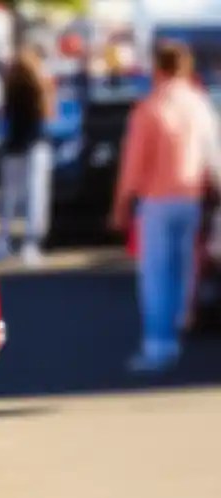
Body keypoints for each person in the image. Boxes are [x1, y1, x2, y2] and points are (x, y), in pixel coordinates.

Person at [111, 42, 221, 373]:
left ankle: (158, 343)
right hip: (190, 197)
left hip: (156, 200)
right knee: (184, 270)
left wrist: (121, 205)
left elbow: (133, 166)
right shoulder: (200, 104)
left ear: (158, 68)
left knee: (156, 274)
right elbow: (212, 155)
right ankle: (176, 328)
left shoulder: (150, 107)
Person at [0, 45, 56, 265]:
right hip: (35, 144)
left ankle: (2, 240)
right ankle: (30, 244)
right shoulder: (40, 88)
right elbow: (49, 115)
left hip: (13, 145)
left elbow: (1, 115)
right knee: (35, 196)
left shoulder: (11, 87)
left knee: (9, 197)